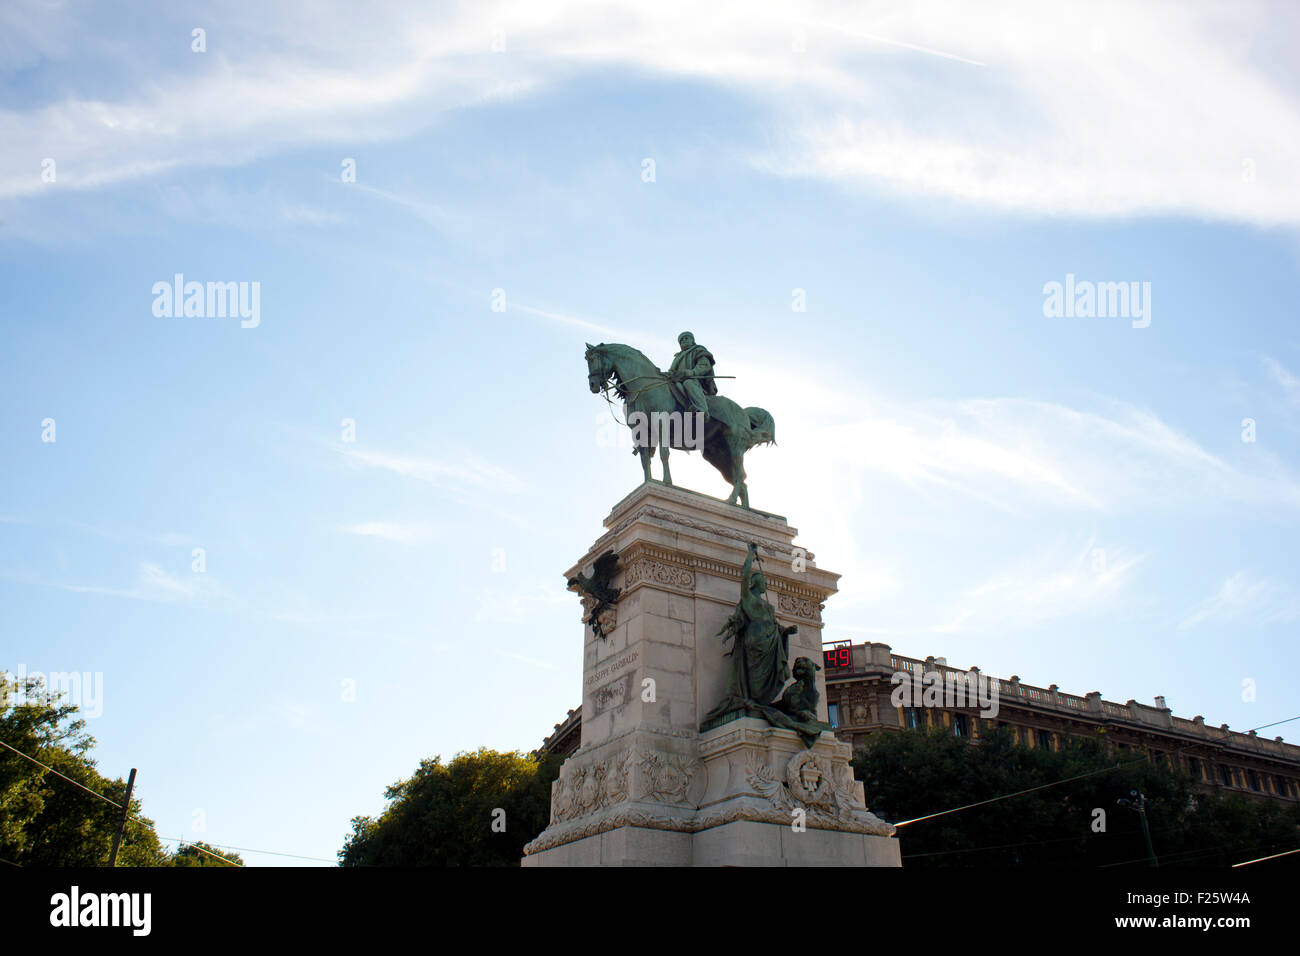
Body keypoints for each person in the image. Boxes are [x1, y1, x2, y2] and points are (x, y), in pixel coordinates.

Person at [666, 331, 716, 422]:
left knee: (688, 383)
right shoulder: (678, 357)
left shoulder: (698, 350)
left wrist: (692, 372)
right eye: (681, 340)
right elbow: (672, 371)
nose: (684, 341)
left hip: (696, 380)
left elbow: (704, 365)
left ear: (692, 340)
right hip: (678, 380)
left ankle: (702, 409)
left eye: (686, 338)